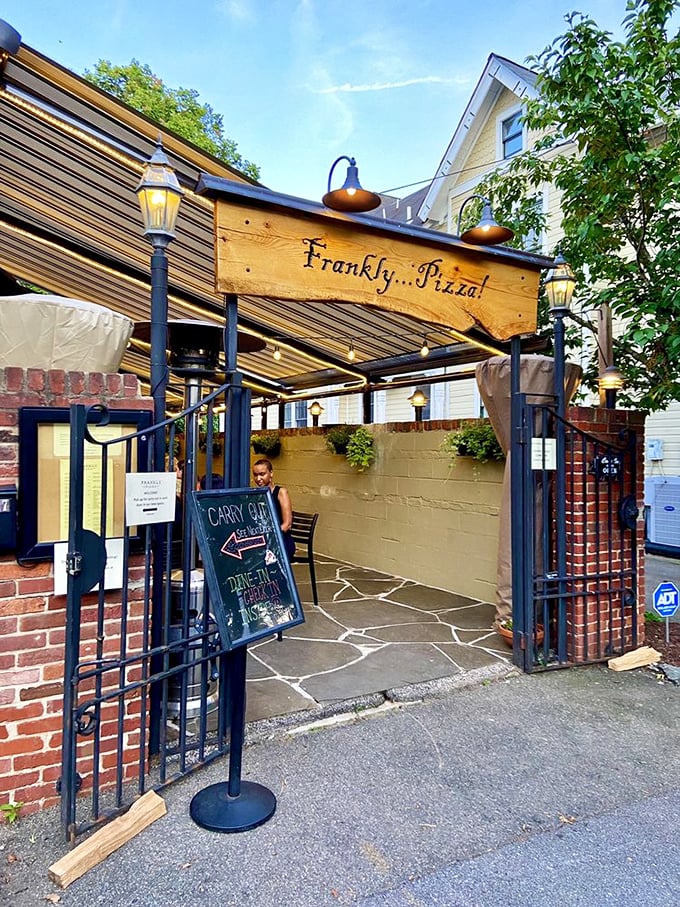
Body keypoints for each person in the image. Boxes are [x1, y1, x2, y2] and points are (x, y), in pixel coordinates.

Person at [252, 458, 295, 559]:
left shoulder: (281, 492)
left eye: (262, 474)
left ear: (271, 473)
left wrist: (270, 534)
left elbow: (287, 524)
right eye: (255, 475)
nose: (258, 479)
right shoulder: (255, 495)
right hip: (262, 541)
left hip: (280, 541)